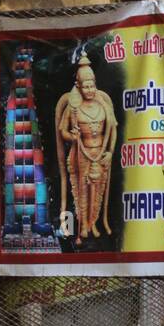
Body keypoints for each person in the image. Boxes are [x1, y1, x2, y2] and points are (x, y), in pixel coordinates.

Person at [55, 55, 117, 246]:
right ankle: (82, 226)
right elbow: (62, 130)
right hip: (81, 153)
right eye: (86, 86)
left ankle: (94, 222)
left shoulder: (103, 103)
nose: (89, 90)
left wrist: (110, 152)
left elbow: (113, 129)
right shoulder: (74, 106)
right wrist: (72, 137)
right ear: (79, 86)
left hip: (99, 152)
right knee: (82, 189)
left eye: (92, 85)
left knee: (97, 189)